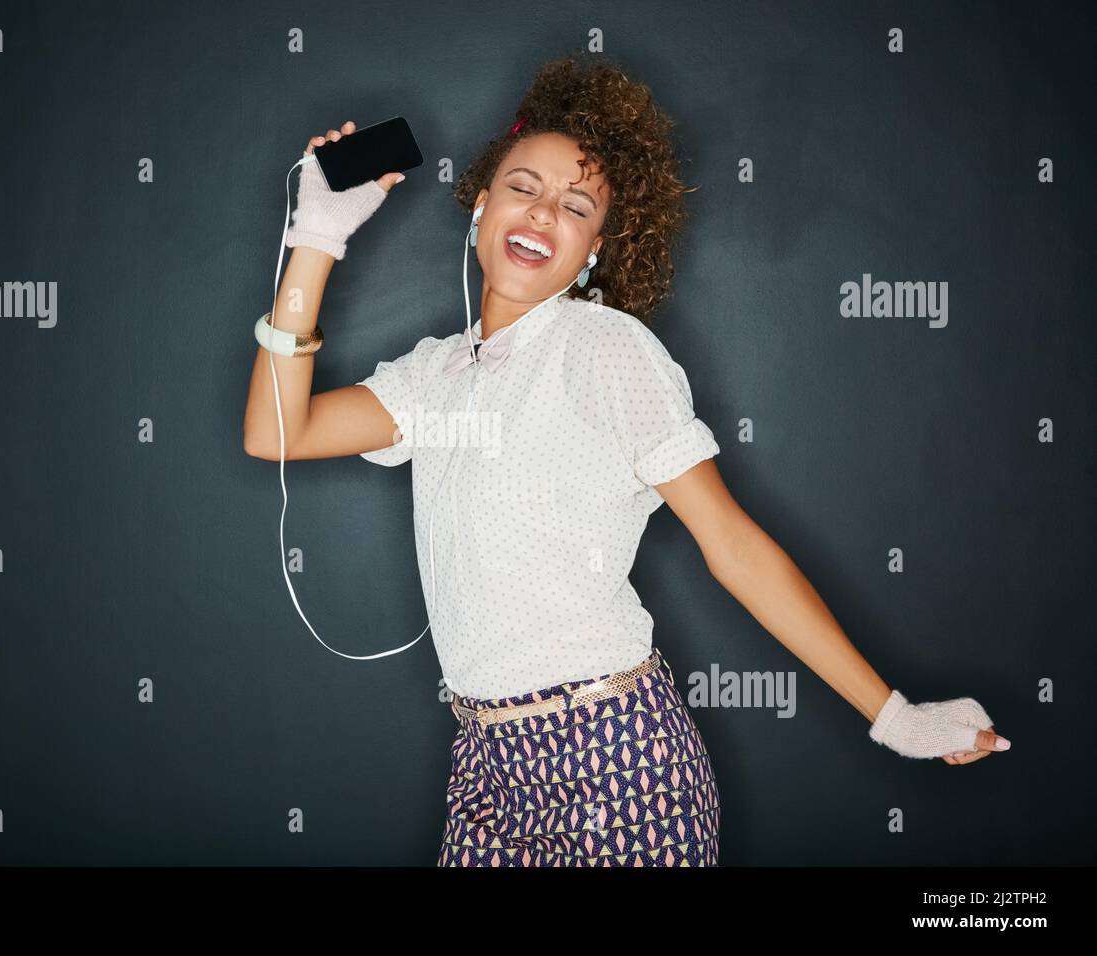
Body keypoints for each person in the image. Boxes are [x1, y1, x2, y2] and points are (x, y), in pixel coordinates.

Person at [243, 54, 1008, 867]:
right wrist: (317, 239)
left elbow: (732, 544)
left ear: (596, 250)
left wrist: (894, 716)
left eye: (575, 207)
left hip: (618, 761)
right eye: (522, 186)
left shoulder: (608, 350)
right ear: (480, 204)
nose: (541, 214)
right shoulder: (433, 372)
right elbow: (276, 433)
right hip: (486, 764)